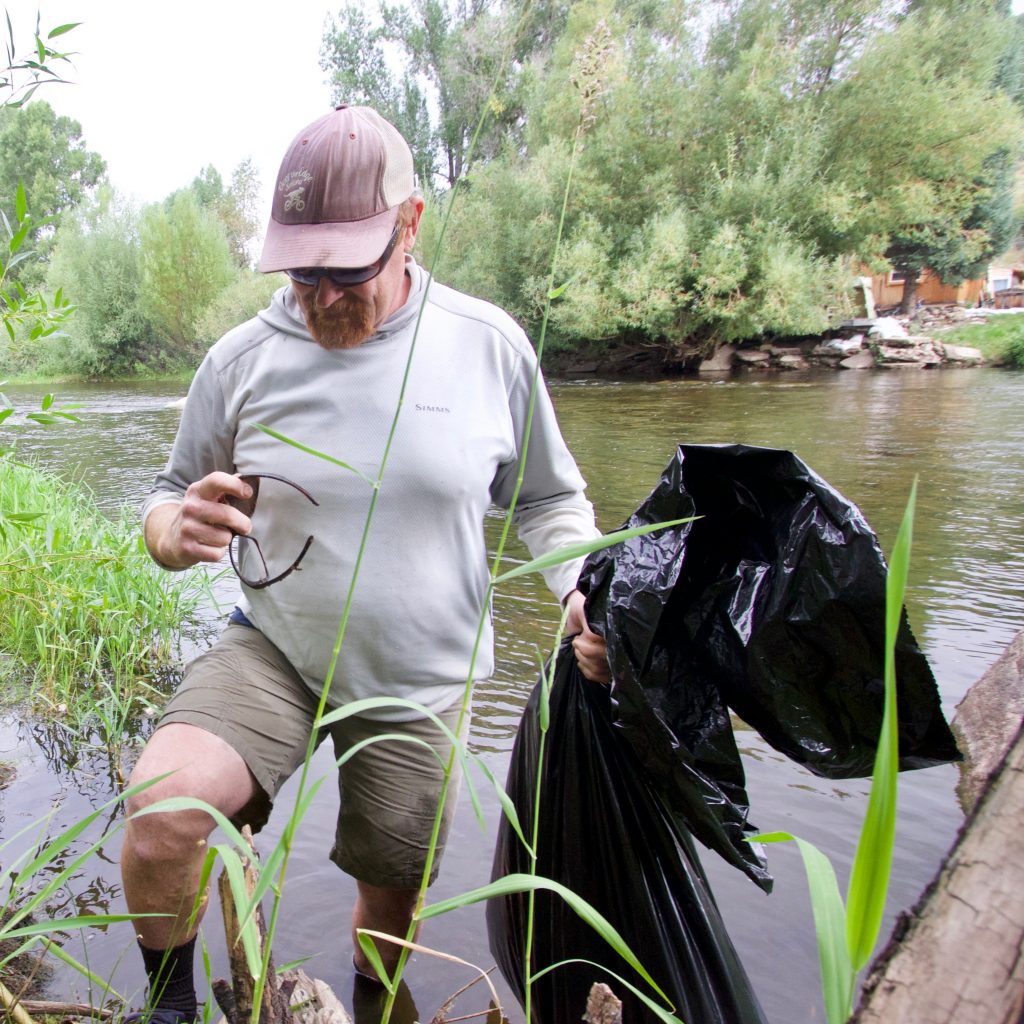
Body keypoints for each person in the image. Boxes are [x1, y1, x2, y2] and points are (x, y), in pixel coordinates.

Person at [122, 104, 608, 1024]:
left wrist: (582, 589)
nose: (322, 296)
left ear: (410, 225)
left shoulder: (489, 346)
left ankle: (372, 1005)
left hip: (420, 677)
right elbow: (166, 491)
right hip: (277, 649)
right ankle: (169, 1008)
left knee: (391, 897)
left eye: (349, 271)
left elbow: (549, 501)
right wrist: (169, 530)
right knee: (161, 812)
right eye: (302, 272)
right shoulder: (242, 359)